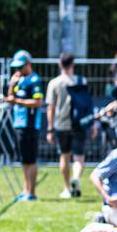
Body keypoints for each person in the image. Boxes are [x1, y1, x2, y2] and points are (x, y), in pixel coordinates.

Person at [45, 53, 89, 198]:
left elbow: (50, 107)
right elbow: (87, 104)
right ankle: (75, 177)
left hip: (62, 124)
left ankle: (66, 188)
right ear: (73, 64)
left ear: (60, 64)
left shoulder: (55, 83)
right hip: (80, 123)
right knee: (79, 157)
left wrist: (50, 128)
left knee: (64, 156)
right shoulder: (82, 80)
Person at [3, 50, 44, 201]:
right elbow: (10, 98)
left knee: (31, 159)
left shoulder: (35, 81)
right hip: (19, 123)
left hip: (30, 125)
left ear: (28, 64)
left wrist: (18, 102)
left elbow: (38, 102)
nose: (18, 70)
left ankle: (32, 193)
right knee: (24, 159)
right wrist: (11, 83)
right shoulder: (18, 80)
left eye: (20, 67)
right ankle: (25, 190)